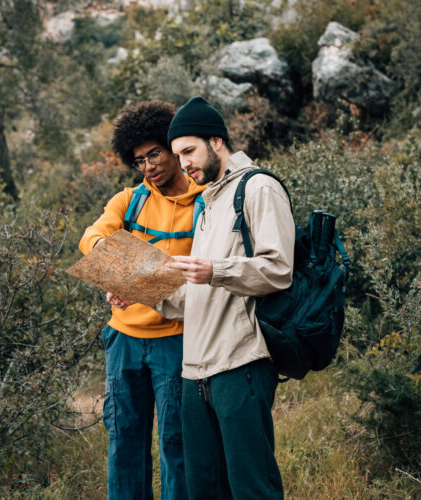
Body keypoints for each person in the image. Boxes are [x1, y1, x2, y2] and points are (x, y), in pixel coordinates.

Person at [124, 96, 295, 499]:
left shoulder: (258, 188)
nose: (183, 164)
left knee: (252, 487)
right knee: (203, 488)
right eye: (178, 154)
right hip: (194, 372)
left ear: (216, 141)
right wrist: (141, 292)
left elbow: (279, 269)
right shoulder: (209, 202)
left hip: (241, 364)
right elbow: (198, 296)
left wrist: (215, 270)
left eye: (188, 151)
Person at [79, 100, 205, 500]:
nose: (149, 166)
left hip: (177, 339)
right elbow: (91, 240)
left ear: (173, 148)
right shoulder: (128, 200)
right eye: (139, 160)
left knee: (176, 442)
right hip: (123, 342)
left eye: (154, 154)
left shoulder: (206, 203)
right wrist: (127, 273)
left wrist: (134, 279)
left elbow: (204, 270)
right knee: (124, 441)